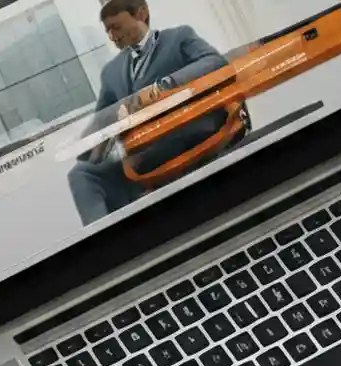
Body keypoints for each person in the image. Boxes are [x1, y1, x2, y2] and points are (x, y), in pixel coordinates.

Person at [68, 0, 231, 224]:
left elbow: (215, 62)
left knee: (136, 162)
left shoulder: (178, 38)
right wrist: (82, 145)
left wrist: (169, 83)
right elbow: (103, 119)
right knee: (82, 174)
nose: (112, 37)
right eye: (107, 31)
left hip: (184, 132)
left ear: (141, 14)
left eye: (116, 27)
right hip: (141, 151)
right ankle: (105, 241)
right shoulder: (111, 72)